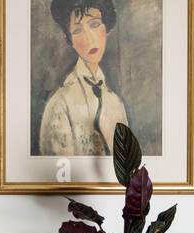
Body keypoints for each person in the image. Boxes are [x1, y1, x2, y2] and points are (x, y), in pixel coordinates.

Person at [38, 0, 129, 156]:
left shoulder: (116, 103)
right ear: (70, 40)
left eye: (94, 25)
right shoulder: (60, 104)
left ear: (106, 28)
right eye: (78, 30)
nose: (89, 39)